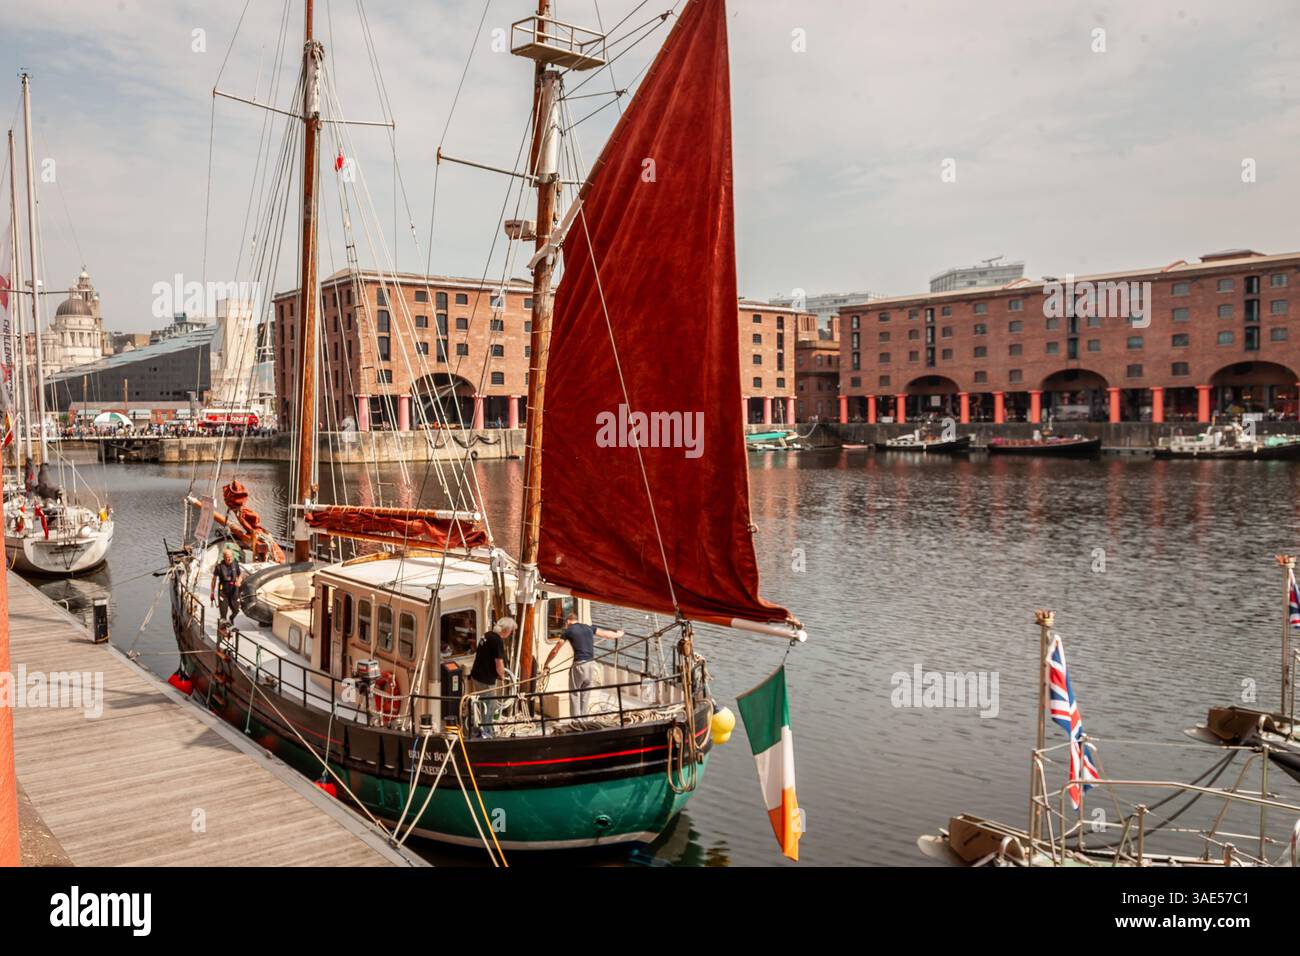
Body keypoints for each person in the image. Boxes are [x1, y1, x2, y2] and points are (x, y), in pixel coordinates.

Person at [543, 612, 623, 718]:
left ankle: (576, 722)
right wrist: (619, 634)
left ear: (568, 622)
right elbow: (606, 634)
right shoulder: (588, 628)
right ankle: (584, 720)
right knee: (585, 694)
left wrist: (546, 664)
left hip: (579, 665)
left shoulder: (568, 631)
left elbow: (555, 650)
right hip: (590, 664)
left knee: (575, 693)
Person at [469, 617, 515, 736]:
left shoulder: (487, 635)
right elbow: (499, 662)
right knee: (489, 706)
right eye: (511, 631)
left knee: (484, 704)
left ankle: (483, 728)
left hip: (476, 675)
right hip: (486, 679)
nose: (510, 634)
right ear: (506, 630)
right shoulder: (498, 641)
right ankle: (487, 732)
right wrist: (502, 675)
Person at [210, 547, 244, 625]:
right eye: (227, 557)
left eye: (230, 557)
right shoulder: (219, 567)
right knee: (223, 614)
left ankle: (231, 618)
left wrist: (239, 581)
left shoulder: (235, 564)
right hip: (223, 592)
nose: (229, 559)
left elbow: (241, 575)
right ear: (224, 557)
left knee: (236, 610)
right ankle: (223, 628)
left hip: (234, 591)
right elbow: (213, 579)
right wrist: (212, 593)